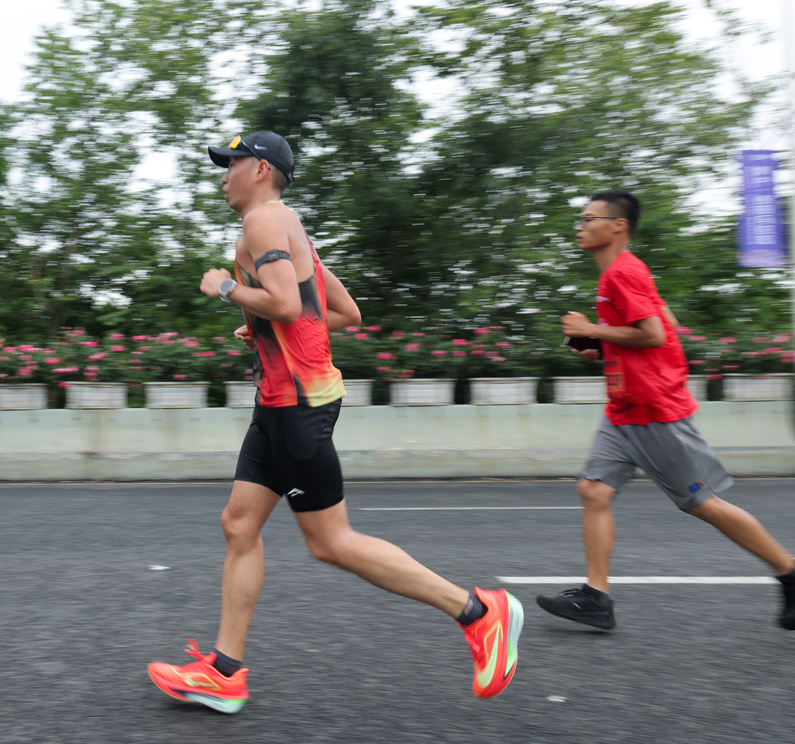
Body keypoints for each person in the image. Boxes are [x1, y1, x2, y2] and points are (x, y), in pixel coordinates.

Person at [146, 130, 523, 714]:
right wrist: (264, 324)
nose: (223, 175)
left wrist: (226, 288)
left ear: (261, 170)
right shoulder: (287, 227)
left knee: (331, 542)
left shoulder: (264, 222)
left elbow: (291, 305)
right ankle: (224, 672)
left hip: (297, 405)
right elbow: (340, 313)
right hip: (279, 402)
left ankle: (479, 613)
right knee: (239, 525)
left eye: (232, 164)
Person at [538, 190, 795, 631]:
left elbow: (656, 334)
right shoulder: (621, 274)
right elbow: (669, 320)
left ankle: (793, 573)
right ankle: (596, 598)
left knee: (701, 503)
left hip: (654, 410)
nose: (579, 225)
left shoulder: (623, 271)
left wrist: (590, 329)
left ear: (617, 226)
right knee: (594, 490)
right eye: (579, 219)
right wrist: (602, 345)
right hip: (624, 408)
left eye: (588, 218)